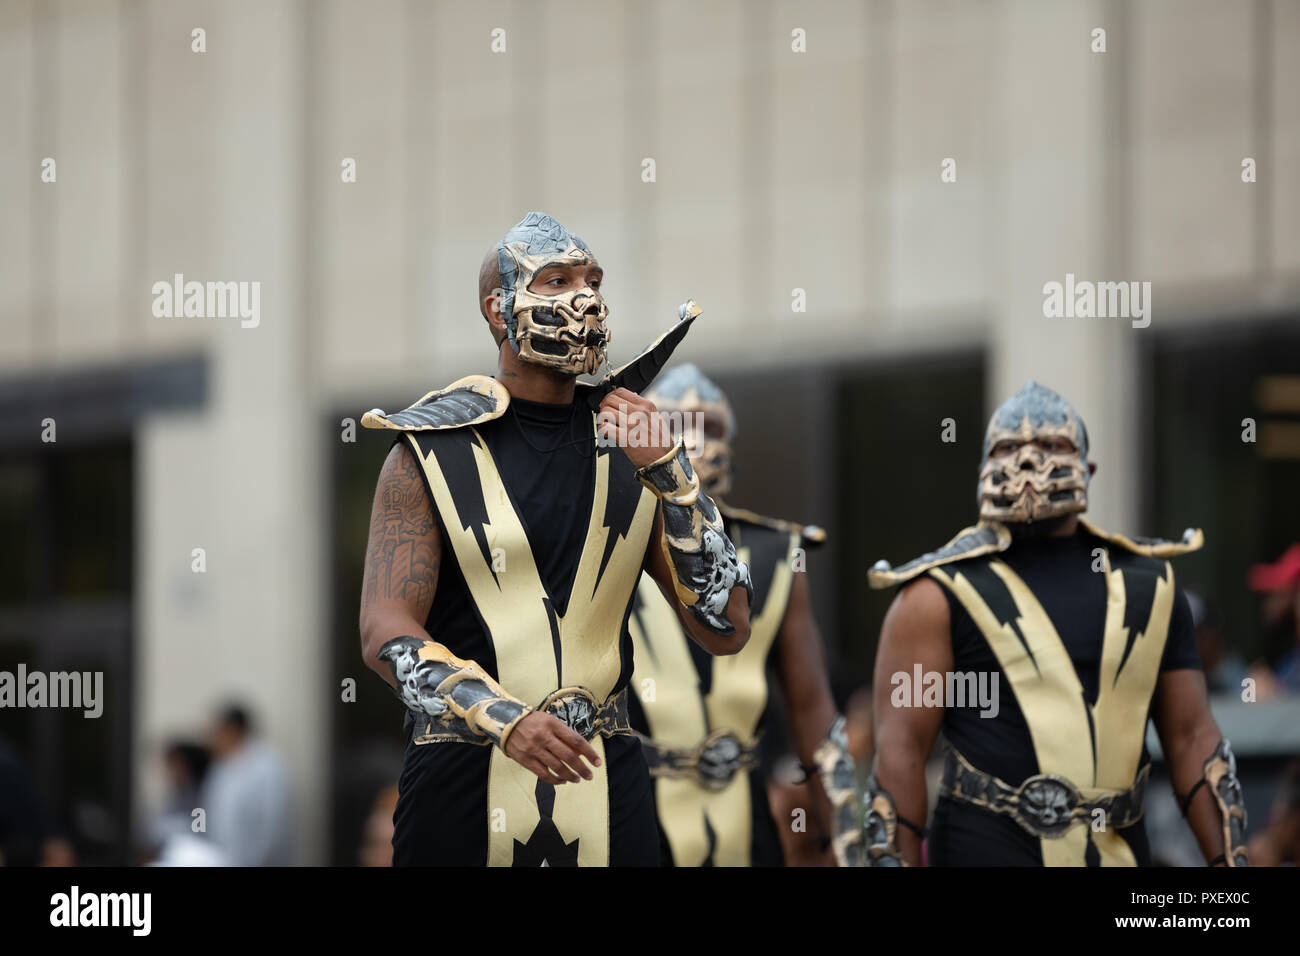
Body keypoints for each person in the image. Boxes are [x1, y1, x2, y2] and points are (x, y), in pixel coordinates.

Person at [358, 212, 753, 866]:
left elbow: (726, 626)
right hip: (461, 781)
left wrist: (676, 478)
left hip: (607, 782)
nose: (585, 296)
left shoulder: (633, 449)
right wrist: (501, 716)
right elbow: (384, 632)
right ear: (499, 307)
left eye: (593, 279)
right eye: (557, 279)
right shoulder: (428, 451)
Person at [865, 381, 1249, 867]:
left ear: (1088, 467)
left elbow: (1192, 736)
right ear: (983, 466)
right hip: (983, 850)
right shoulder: (935, 592)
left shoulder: (1150, 586)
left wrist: (1231, 868)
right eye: (1008, 447)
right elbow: (901, 750)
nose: (1028, 461)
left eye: (1051, 445)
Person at [626, 364, 861, 866]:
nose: (692, 439)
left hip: (748, 821)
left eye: (707, 426)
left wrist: (847, 840)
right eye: (676, 425)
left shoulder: (778, 552)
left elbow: (812, 712)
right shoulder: (608, 539)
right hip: (633, 815)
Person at [197, 704, 294, 866]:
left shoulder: (267, 765)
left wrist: (258, 860)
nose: (213, 738)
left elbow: (273, 823)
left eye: (217, 731)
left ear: (233, 730)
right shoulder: (221, 766)